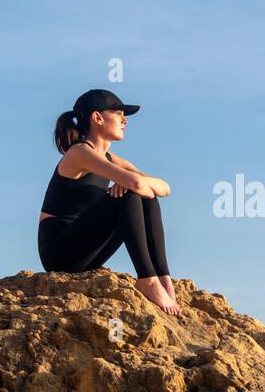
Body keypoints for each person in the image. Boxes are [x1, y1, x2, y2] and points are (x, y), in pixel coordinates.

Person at [37, 89, 180, 314]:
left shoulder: (110, 159)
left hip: (87, 253)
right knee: (131, 194)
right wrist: (133, 183)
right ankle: (147, 279)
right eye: (119, 114)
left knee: (142, 197)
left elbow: (165, 188)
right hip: (59, 251)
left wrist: (133, 183)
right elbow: (137, 184)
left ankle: (163, 277)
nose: (124, 121)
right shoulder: (79, 153)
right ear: (97, 118)